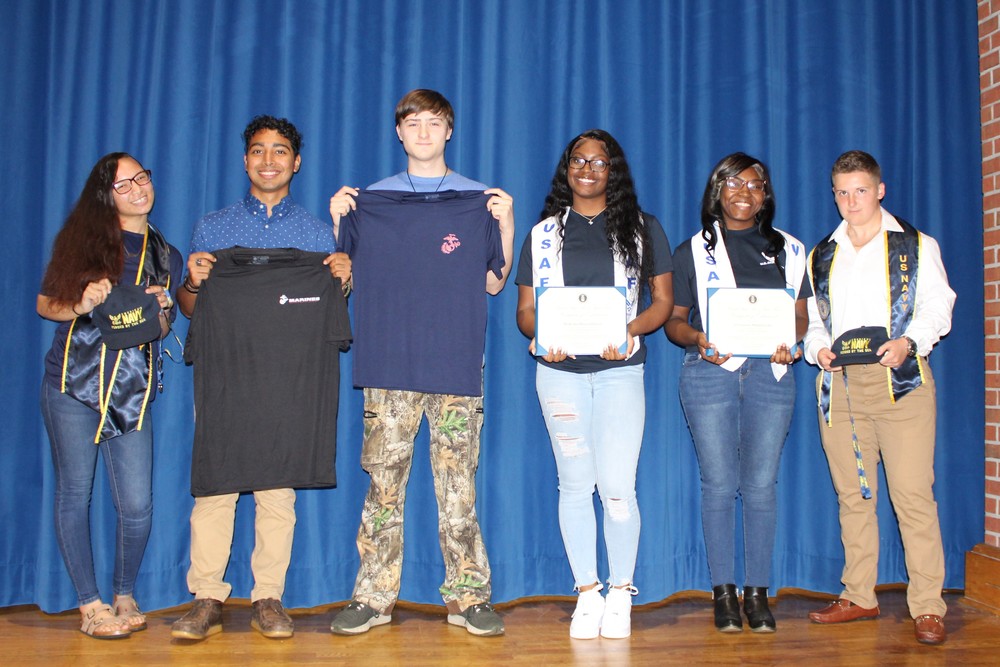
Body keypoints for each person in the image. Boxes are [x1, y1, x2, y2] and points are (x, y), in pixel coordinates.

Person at [327, 89, 514, 637]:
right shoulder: (370, 201)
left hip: (455, 365)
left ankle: (468, 597)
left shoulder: (477, 199)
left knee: (459, 486)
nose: (425, 132)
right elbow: (343, 279)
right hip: (389, 364)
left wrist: (505, 225)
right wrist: (335, 220)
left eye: (435, 122)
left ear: (449, 131)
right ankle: (373, 597)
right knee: (383, 486)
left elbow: (494, 283)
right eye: (414, 123)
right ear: (399, 133)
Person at [170, 115, 352, 641]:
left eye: (279, 151)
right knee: (216, 486)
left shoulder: (317, 232)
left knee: (278, 488)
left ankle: (267, 597)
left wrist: (342, 280)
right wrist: (193, 281)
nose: (268, 160)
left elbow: (325, 310)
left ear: (295, 162)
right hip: (227, 373)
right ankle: (206, 597)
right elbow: (190, 309)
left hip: (286, 376)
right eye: (258, 150)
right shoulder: (213, 226)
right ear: (245, 159)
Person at [515, 129, 674, 639]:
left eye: (599, 162)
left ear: (614, 171)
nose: (588, 169)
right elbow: (524, 311)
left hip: (619, 373)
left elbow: (662, 304)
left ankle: (621, 589)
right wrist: (544, 335)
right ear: (567, 169)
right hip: (558, 376)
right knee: (575, 484)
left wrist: (628, 331)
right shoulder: (543, 235)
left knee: (617, 487)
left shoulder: (642, 229)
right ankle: (587, 591)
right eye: (578, 161)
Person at [803, 150, 955, 646]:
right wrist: (817, 350)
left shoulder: (914, 245)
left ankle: (928, 605)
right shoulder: (821, 252)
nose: (851, 201)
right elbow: (815, 322)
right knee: (854, 496)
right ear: (834, 194)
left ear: (880, 190)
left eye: (860, 190)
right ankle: (859, 594)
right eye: (842, 192)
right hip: (841, 387)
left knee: (912, 496)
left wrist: (911, 342)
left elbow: (938, 305)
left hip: (901, 382)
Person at [37, 153, 183, 639]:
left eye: (142, 177)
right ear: (107, 194)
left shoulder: (166, 254)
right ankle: (89, 604)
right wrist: (80, 302)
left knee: (138, 504)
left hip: (130, 392)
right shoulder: (84, 242)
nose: (137, 188)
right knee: (75, 494)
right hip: (73, 385)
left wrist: (163, 310)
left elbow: (160, 329)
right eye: (123, 185)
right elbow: (45, 304)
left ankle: (124, 593)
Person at [666, 153, 809, 633]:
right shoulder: (692, 251)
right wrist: (697, 339)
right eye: (733, 183)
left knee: (761, 486)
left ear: (766, 195)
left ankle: (758, 592)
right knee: (720, 485)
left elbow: (802, 314)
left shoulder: (791, 250)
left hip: (771, 375)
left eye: (754, 184)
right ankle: (723, 592)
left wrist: (795, 341)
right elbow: (674, 321)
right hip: (709, 373)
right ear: (717, 191)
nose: (743, 192)